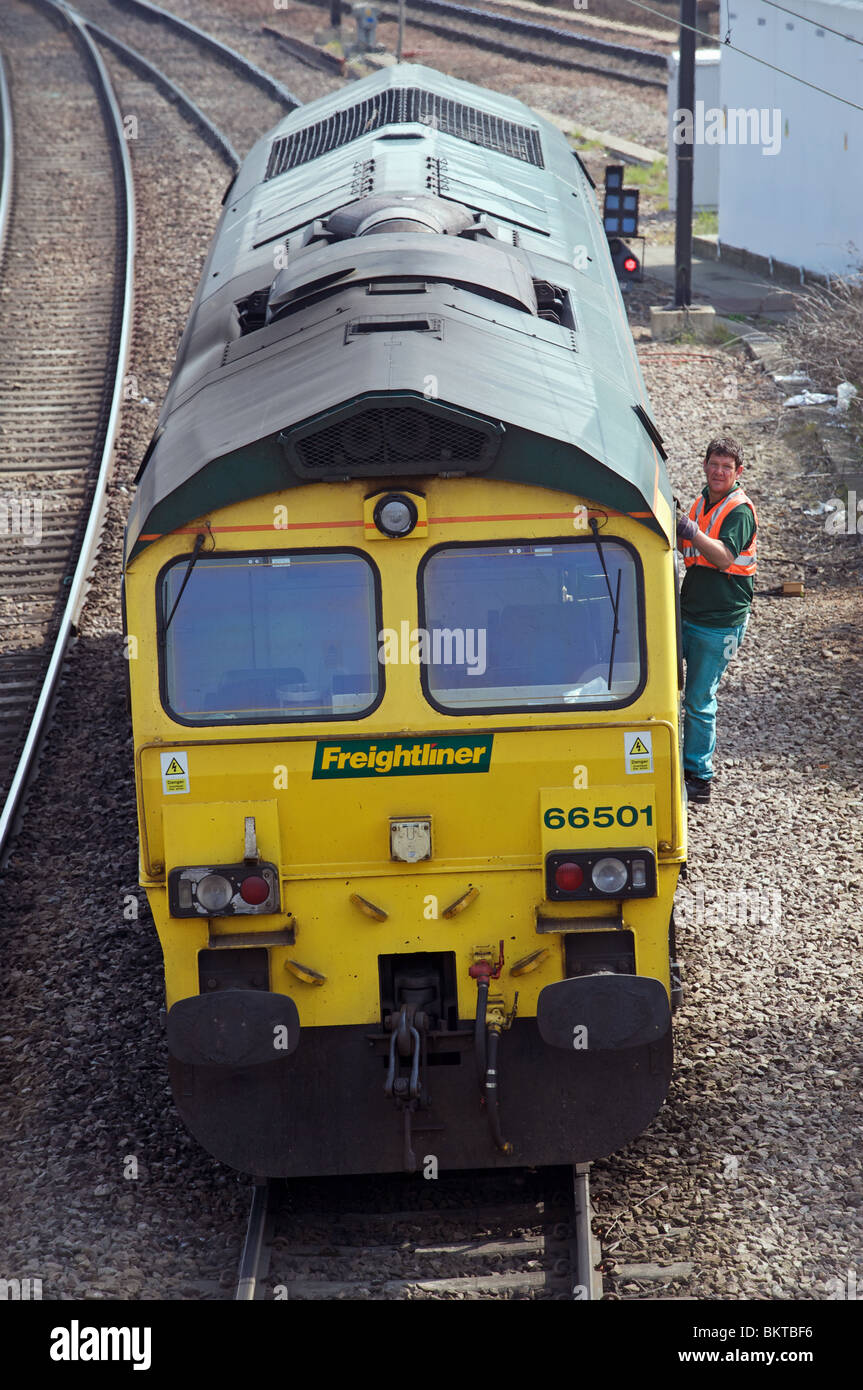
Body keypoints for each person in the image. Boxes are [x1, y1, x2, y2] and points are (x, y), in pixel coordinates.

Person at [676, 436, 757, 804]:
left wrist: (690, 530)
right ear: (705, 465)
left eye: (727, 467)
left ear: (738, 472)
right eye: (714, 464)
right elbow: (687, 547)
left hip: (719, 623)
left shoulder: (739, 511)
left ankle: (699, 777)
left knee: (698, 699)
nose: (719, 472)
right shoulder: (702, 501)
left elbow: (724, 557)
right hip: (690, 612)